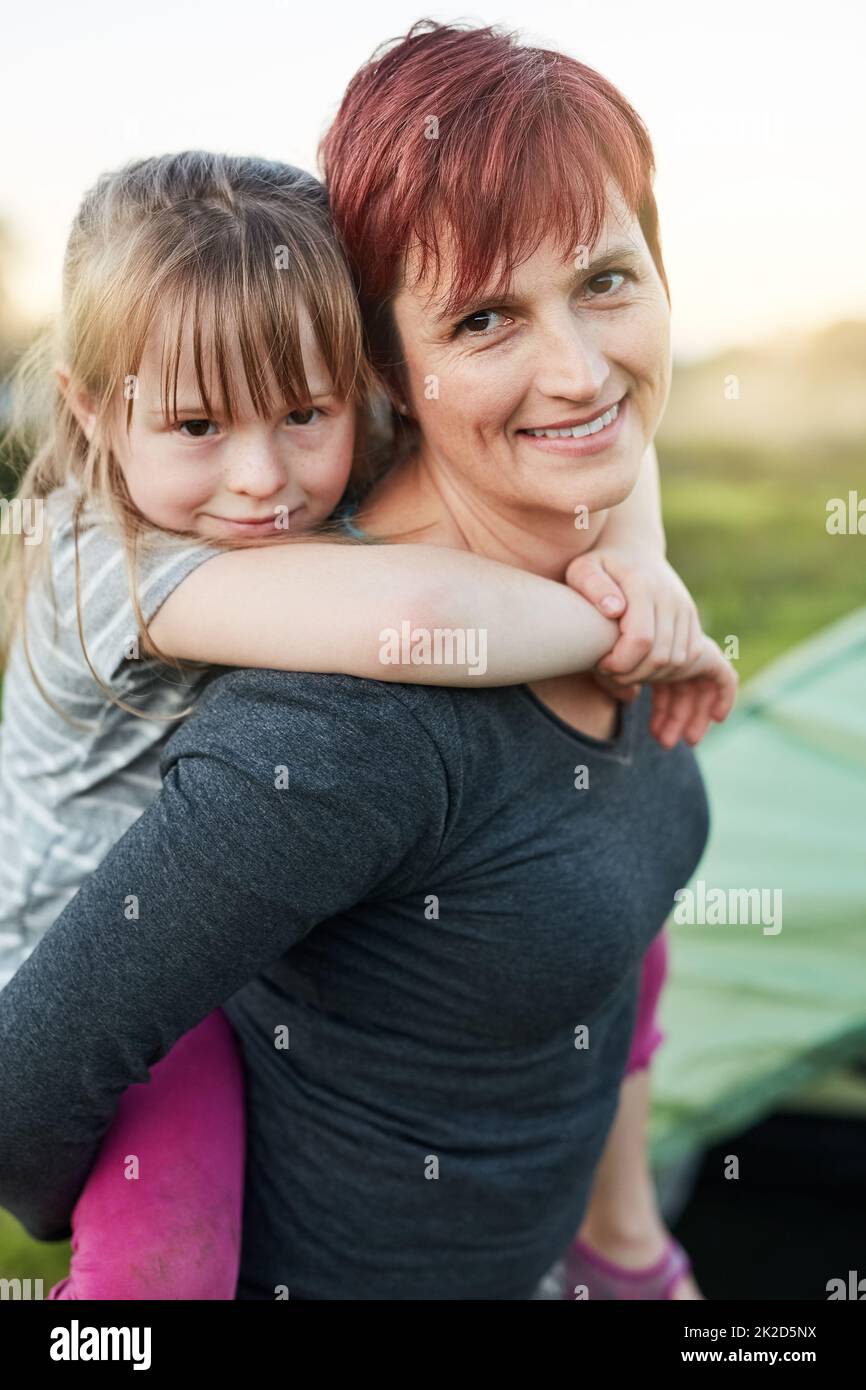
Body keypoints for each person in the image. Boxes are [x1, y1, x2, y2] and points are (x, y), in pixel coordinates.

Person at [0, 39, 734, 1300]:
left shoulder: (480, 468)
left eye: (607, 281)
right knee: (158, 1260)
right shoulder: (224, 644)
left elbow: (607, 419)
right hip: (57, 941)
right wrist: (619, 625)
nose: (259, 478)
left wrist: (636, 563)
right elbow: (416, 624)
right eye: (484, 317)